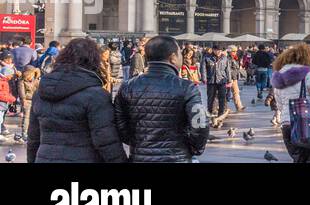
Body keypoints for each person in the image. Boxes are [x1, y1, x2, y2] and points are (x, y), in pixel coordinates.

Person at [26, 37, 126, 163]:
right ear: (93, 60)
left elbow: (33, 138)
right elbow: (105, 140)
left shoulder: (40, 93)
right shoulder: (96, 95)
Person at [113, 34, 210, 162]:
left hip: (140, 156)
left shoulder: (127, 86)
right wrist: (195, 148)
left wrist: (137, 142)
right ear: (173, 58)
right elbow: (200, 124)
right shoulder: (187, 87)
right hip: (177, 156)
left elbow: (119, 124)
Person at [270, 43, 310, 163]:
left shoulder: (278, 77)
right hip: (306, 123)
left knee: (298, 159)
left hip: (287, 124)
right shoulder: (307, 74)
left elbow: (280, 105)